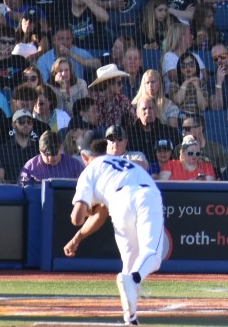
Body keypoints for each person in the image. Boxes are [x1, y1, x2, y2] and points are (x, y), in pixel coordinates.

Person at [64, 137, 167, 326]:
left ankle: (130, 317)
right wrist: (77, 237)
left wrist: (85, 212)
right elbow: (101, 213)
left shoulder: (90, 170)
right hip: (145, 195)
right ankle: (134, 289)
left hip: (120, 202)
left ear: (84, 156)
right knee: (151, 254)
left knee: (129, 265)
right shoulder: (121, 162)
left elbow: (77, 217)